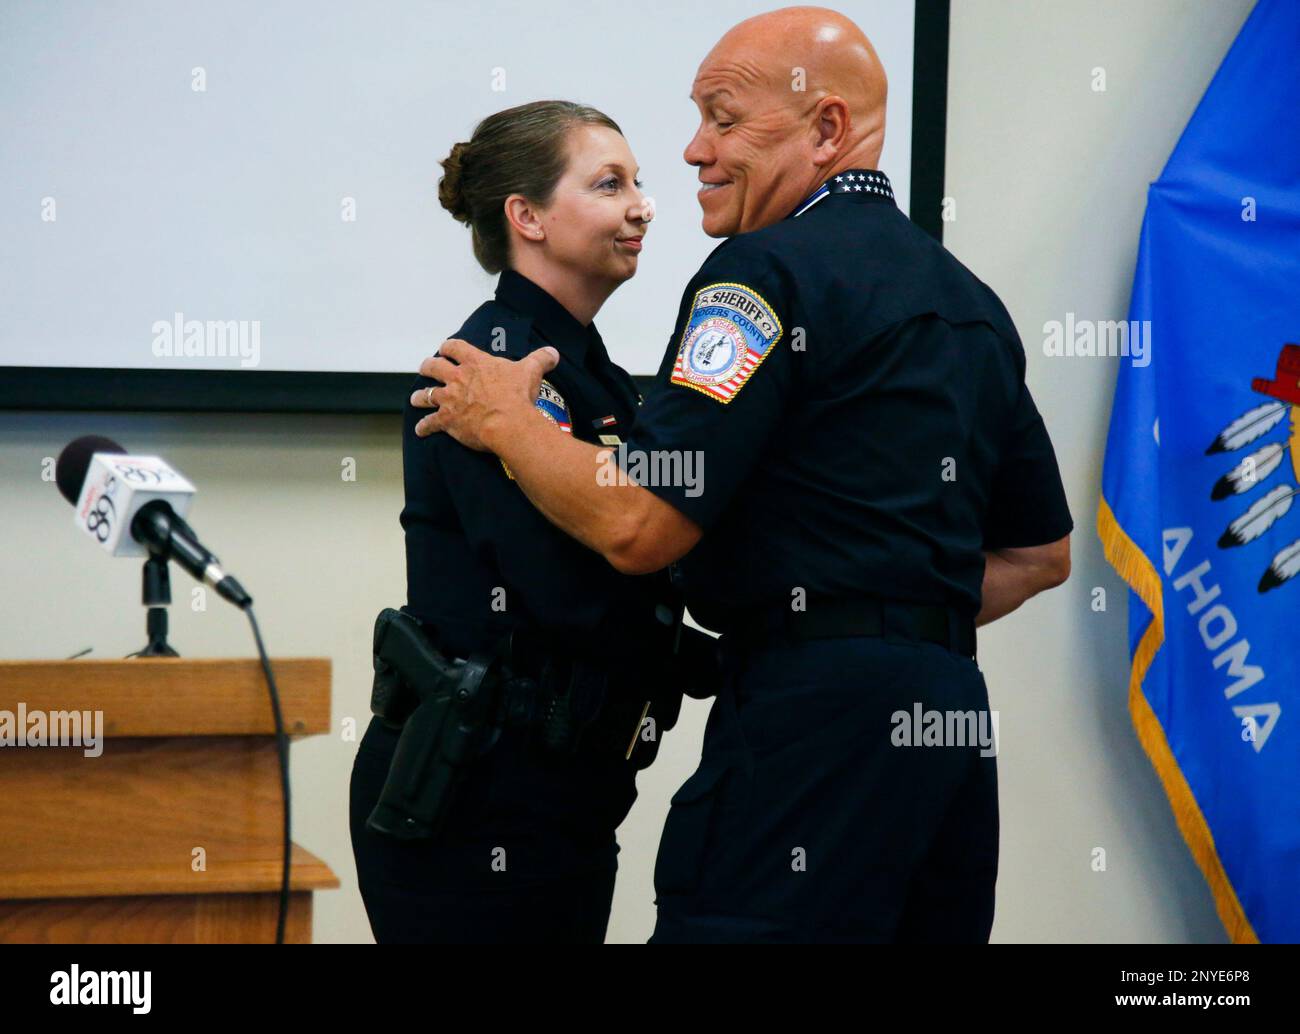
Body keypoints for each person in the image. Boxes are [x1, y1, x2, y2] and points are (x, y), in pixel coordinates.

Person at [411, 7, 1073, 943]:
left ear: (827, 129)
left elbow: (642, 523)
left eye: (724, 119)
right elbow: (1043, 555)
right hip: (948, 724)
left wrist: (510, 423)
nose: (692, 152)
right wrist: (889, 607)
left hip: (808, 725)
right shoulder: (969, 302)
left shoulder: (761, 276)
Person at [349, 99, 698, 944]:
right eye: (609, 184)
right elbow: (559, 590)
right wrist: (717, 653)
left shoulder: (591, 372)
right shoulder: (487, 370)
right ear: (527, 216)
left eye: (639, 184)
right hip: (473, 800)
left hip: (559, 794)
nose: (643, 205)